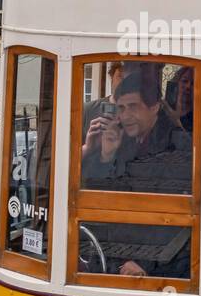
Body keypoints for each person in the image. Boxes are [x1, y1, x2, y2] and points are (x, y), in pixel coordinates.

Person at [82, 69, 192, 277]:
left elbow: (175, 211)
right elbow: (99, 199)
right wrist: (106, 155)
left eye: (133, 107)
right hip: (118, 252)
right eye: (121, 108)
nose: (125, 116)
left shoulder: (177, 144)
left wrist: (145, 262)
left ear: (155, 107)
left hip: (163, 264)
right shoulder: (123, 139)